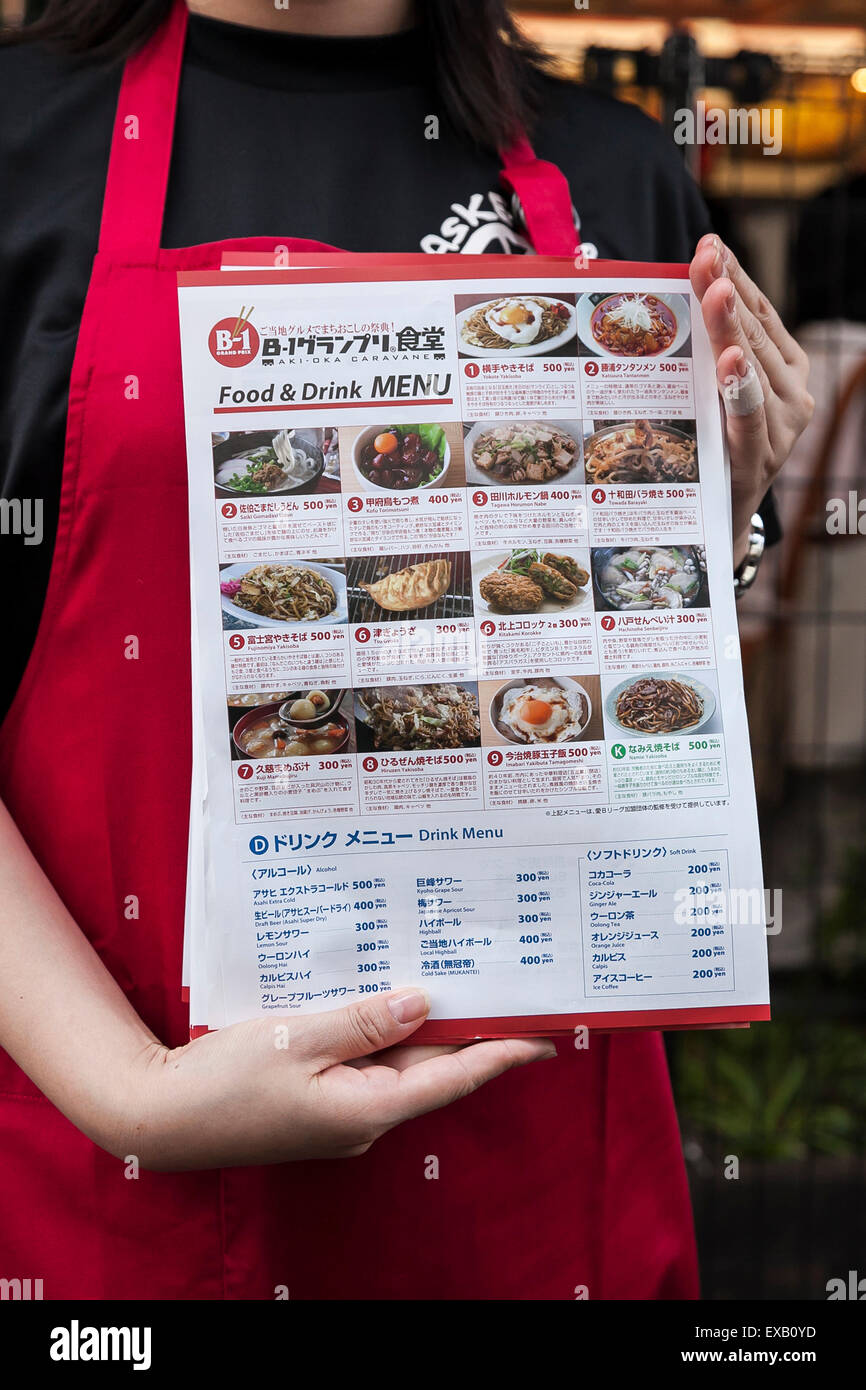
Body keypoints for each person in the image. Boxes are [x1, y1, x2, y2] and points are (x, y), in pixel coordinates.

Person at [0, 0, 813, 1300]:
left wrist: (698, 533)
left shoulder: (613, 170)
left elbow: (650, 681)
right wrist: (136, 1093)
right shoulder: (20, 139)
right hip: (125, 1196)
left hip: (546, 1198)